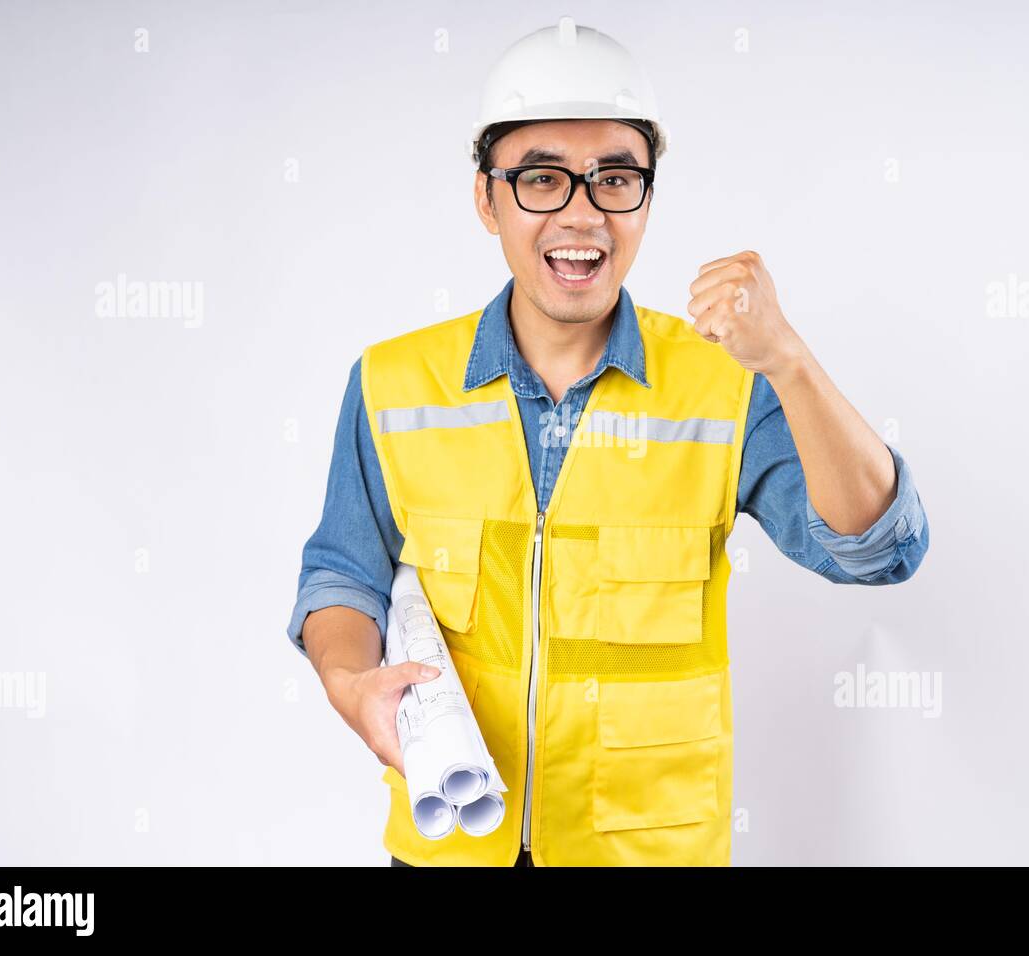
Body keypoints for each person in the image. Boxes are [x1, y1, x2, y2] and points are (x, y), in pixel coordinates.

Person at [288, 16, 929, 867]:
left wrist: (790, 363)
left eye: (616, 178)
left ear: (648, 195)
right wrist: (348, 683)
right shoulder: (392, 383)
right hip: (450, 840)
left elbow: (878, 551)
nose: (584, 214)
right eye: (543, 179)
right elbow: (343, 572)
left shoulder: (725, 385)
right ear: (487, 198)